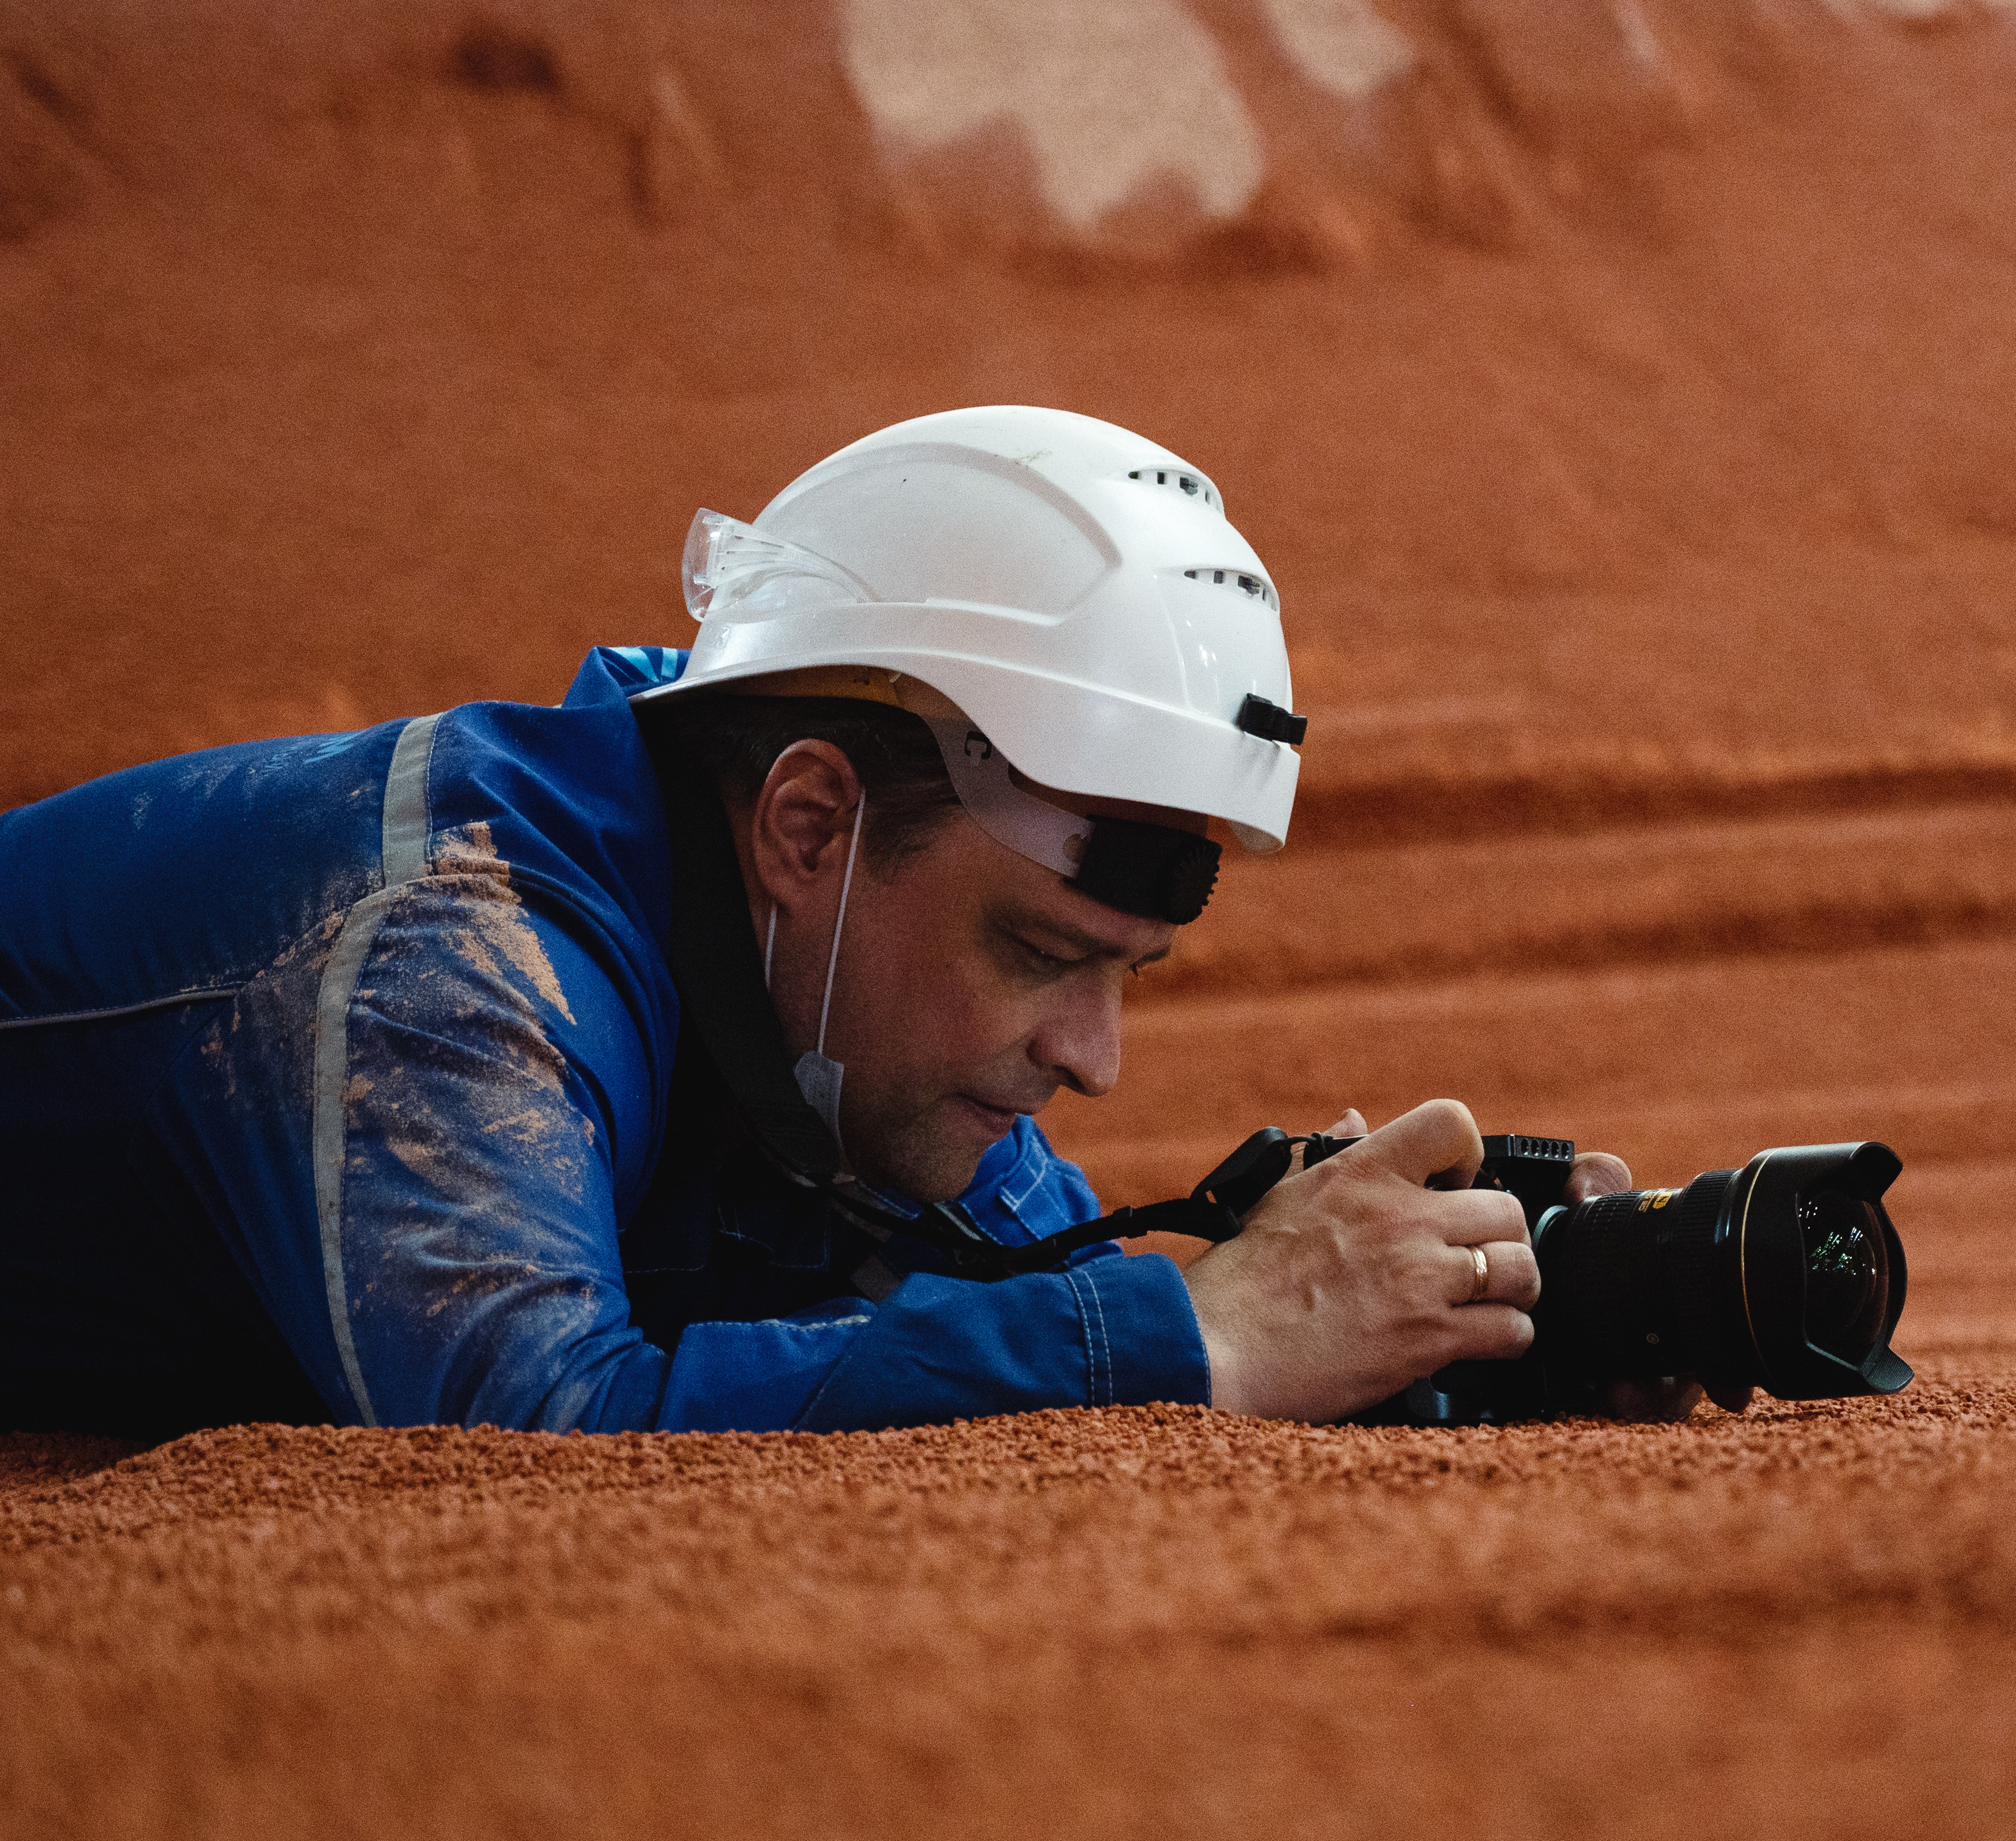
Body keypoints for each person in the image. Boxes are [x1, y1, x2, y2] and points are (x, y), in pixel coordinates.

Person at [1, 406, 1704, 1438]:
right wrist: (1206, 1332)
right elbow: (529, 1419)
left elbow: (1021, 1314)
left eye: (1126, 975)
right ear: (808, 825)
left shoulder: (818, 997)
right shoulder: (459, 953)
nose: (1095, 1062)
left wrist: (1431, 1331)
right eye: (1038, 955)